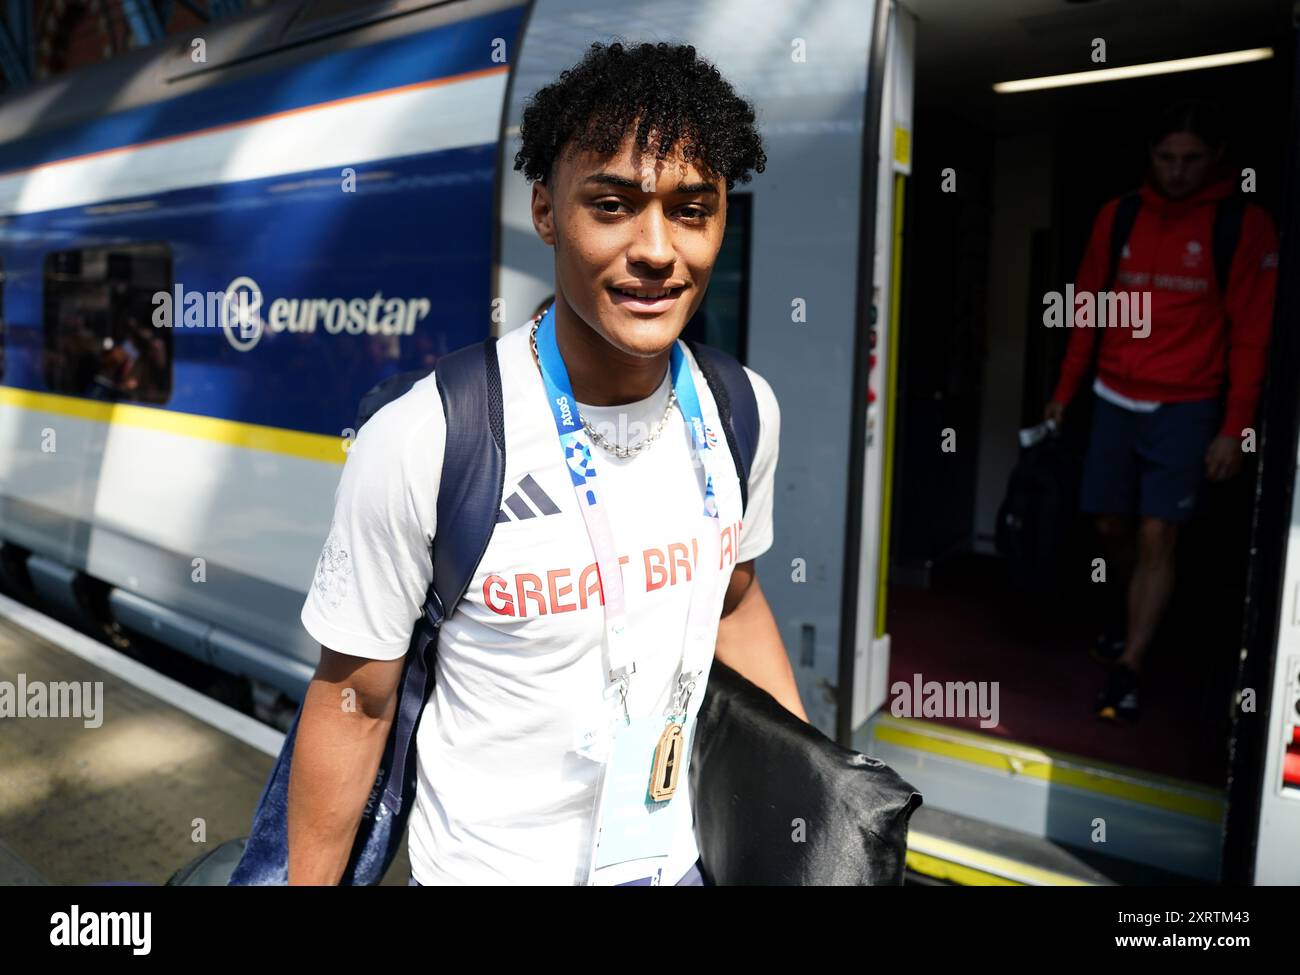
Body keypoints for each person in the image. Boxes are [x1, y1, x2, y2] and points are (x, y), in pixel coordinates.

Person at [291, 40, 805, 886]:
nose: (656, 249)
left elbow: (736, 603)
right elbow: (356, 704)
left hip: (680, 870)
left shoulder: (743, 409)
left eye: (692, 208)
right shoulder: (429, 438)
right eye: (611, 205)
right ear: (544, 209)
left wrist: (805, 795)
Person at [1044, 99, 1278, 722]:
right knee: (1111, 527)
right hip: (1113, 398)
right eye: (1167, 157)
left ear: (1218, 156)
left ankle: (1132, 664)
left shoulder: (1242, 224)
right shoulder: (1118, 217)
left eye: (1192, 159)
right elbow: (1086, 309)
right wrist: (1064, 392)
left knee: (1158, 531)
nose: (1177, 171)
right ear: (1150, 155)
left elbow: (1253, 335)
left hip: (1189, 404)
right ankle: (1134, 613)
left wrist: (1236, 428)